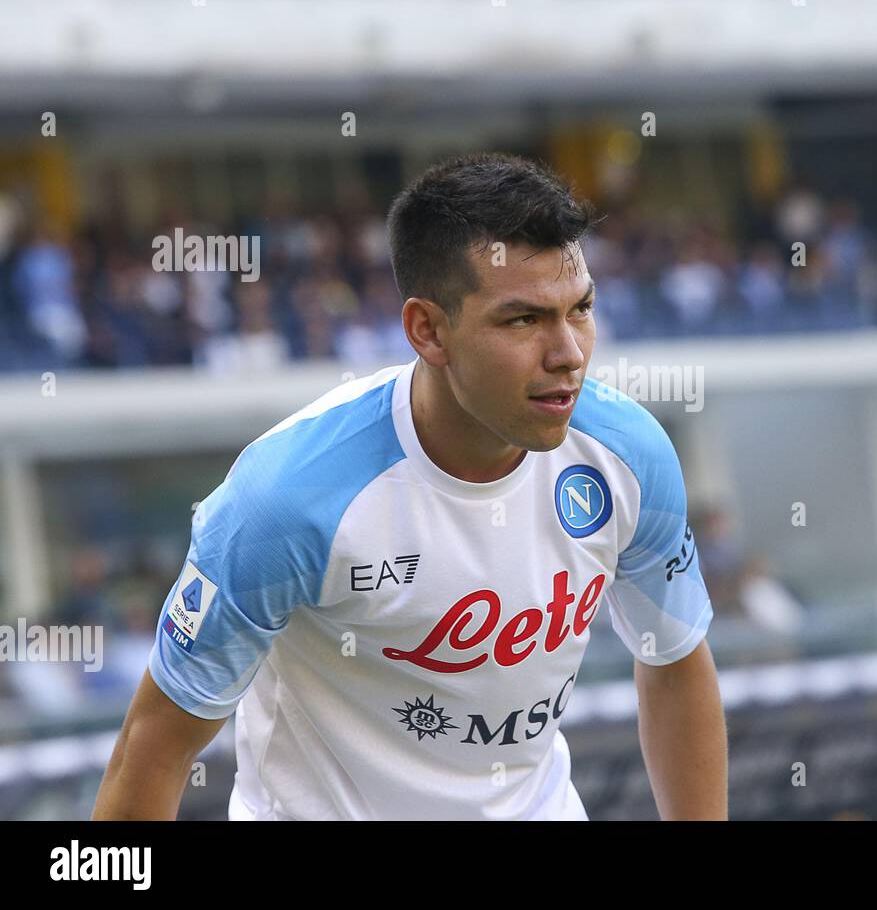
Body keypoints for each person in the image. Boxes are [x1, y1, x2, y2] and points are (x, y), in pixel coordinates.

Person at [92, 153, 727, 821]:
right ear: (428, 330)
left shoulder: (629, 455)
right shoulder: (284, 501)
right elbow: (154, 745)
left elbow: (676, 661)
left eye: (582, 308)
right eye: (524, 320)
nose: (568, 351)